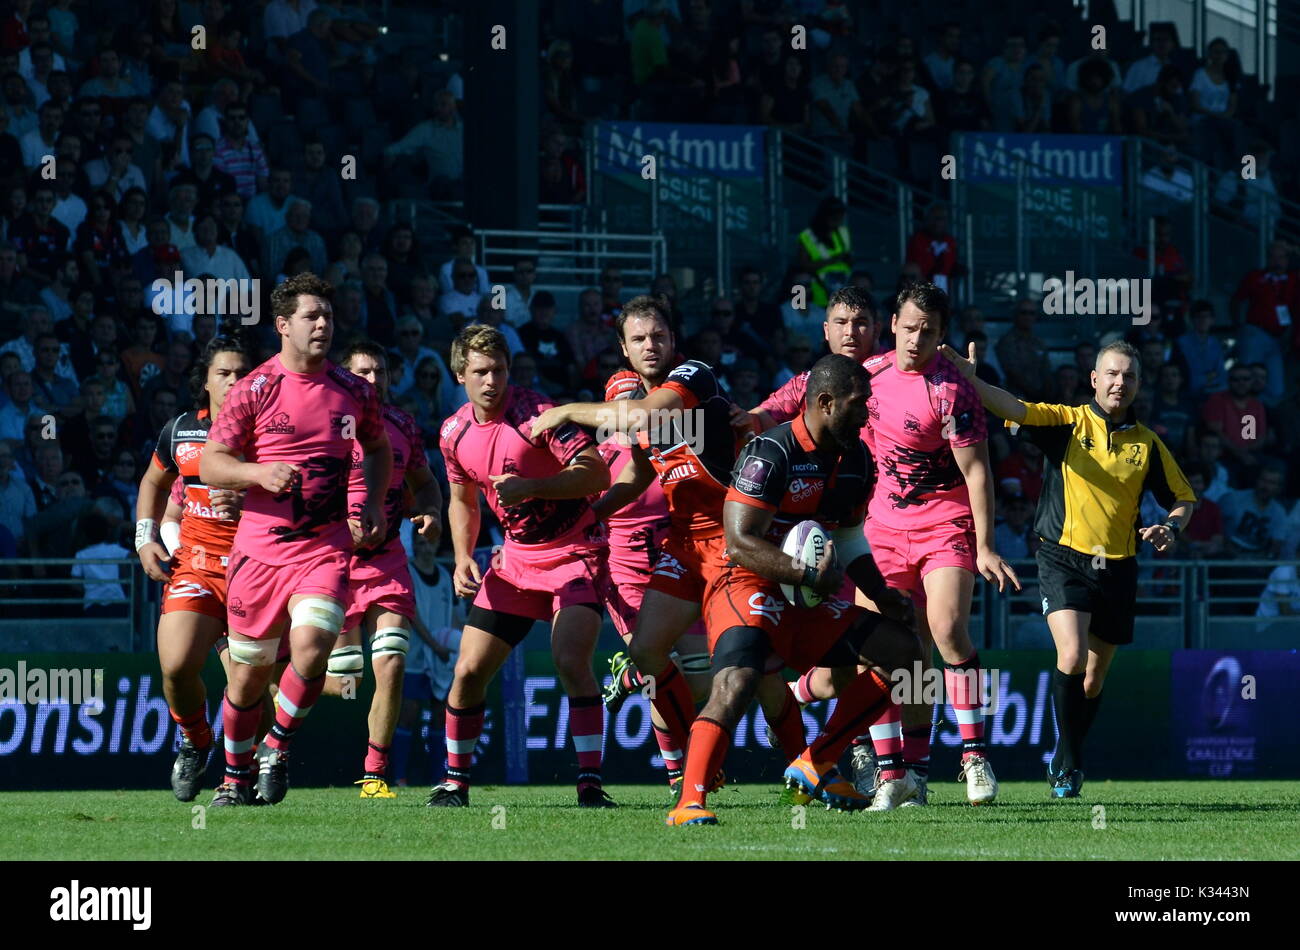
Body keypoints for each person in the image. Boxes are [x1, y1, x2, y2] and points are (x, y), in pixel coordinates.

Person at [533, 297, 809, 794]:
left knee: (760, 670)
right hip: (683, 544)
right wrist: (590, 516)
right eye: (639, 339)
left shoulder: (692, 377)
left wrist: (566, 410)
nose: (650, 346)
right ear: (623, 348)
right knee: (646, 653)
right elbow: (638, 474)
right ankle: (691, 768)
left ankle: (811, 767)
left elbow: (639, 417)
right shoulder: (639, 398)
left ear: (673, 341)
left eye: (658, 336)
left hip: (735, 539)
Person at [668, 354, 921, 824]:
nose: (867, 414)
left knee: (906, 652)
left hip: (807, 594)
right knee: (738, 682)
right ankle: (689, 801)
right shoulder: (772, 451)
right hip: (745, 580)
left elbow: (847, 537)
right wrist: (807, 576)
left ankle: (815, 762)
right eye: (858, 403)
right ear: (825, 403)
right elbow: (740, 541)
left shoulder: (857, 459)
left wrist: (880, 592)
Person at [940, 338, 1195, 798]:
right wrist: (972, 380)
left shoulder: (1148, 443)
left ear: (1138, 385)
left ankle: (1066, 749)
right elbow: (1014, 408)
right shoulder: (1067, 422)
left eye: (1130, 376)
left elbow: (1183, 498)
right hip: (1062, 557)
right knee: (1072, 656)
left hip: (1119, 568)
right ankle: (1071, 762)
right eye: (1112, 374)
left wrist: (1171, 529)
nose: (1120, 382)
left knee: (1095, 678)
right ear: (1094, 379)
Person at [200, 273, 393, 807]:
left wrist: (373, 501)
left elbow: (378, 449)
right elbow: (213, 463)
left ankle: (276, 747)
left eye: (328, 316)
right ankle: (233, 778)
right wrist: (257, 474)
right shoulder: (254, 389)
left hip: (325, 547)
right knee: (247, 679)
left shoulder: (354, 392)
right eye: (312, 316)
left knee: (311, 653)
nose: (323, 325)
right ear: (283, 325)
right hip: (258, 552)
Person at [429, 325, 613, 808]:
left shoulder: (538, 414)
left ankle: (590, 784)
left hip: (576, 551)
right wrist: (465, 555)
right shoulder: (452, 433)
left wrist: (531, 487)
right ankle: (454, 784)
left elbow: (597, 472)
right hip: (513, 563)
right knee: (467, 671)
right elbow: (462, 499)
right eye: (481, 372)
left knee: (570, 660)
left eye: (500, 369)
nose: (492, 380)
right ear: (460, 375)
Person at [321, 342, 443, 798]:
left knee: (391, 662)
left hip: (387, 560)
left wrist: (431, 511)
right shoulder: (325, 426)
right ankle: (283, 683)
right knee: (346, 679)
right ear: (346, 377)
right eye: (363, 373)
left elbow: (426, 482)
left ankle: (374, 774)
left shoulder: (403, 426)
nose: (373, 381)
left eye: (381, 372)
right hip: (331, 563)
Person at [135, 326, 251, 801]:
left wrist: (250, 506)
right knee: (178, 665)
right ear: (206, 379)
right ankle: (195, 742)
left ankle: (246, 772)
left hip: (257, 569)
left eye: (243, 374)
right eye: (223, 373)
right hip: (197, 565)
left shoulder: (271, 432)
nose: (233, 381)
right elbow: (151, 484)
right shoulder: (181, 430)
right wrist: (146, 540)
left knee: (249, 692)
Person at [392, 532, 462, 786]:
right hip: (416, 655)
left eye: (429, 542)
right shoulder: (408, 573)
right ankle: (399, 776)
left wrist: (455, 647)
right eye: (420, 543)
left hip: (442, 657)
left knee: (439, 714)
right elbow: (411, 614)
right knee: (408, 713)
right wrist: (434, 645)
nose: (425, 547)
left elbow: (454, 615)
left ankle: (438, 776)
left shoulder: (445, 576)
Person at [795, 196, 852, 309]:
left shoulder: (843, 232)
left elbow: (848, 259)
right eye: (833, 214)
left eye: (840, 214)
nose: (837, 218)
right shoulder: (807, 236)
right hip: (819, 293)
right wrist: (834, 260)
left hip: (843, 290)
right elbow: (802, 265)